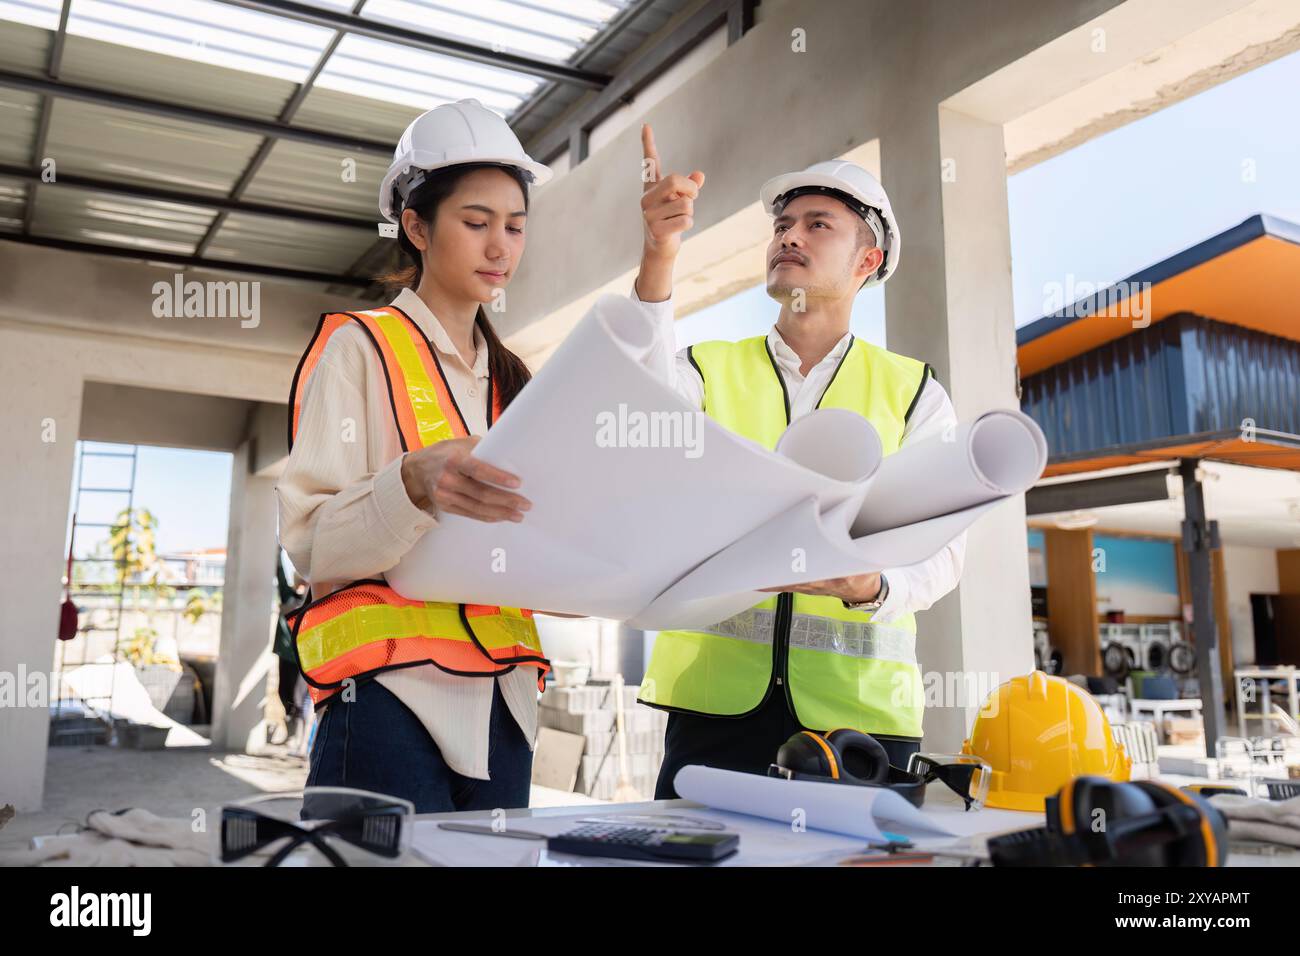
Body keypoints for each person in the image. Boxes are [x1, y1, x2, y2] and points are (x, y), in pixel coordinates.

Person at [630, 125, 968, 798]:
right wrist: (660, 252)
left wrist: (869, 586)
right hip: (713, 714)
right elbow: (633, 405)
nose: (790, 236)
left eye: (819, 225)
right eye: (783, 224)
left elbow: (947, 546)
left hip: (861, 729)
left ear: (867, 263)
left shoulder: (914, 393)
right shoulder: (706, 368)